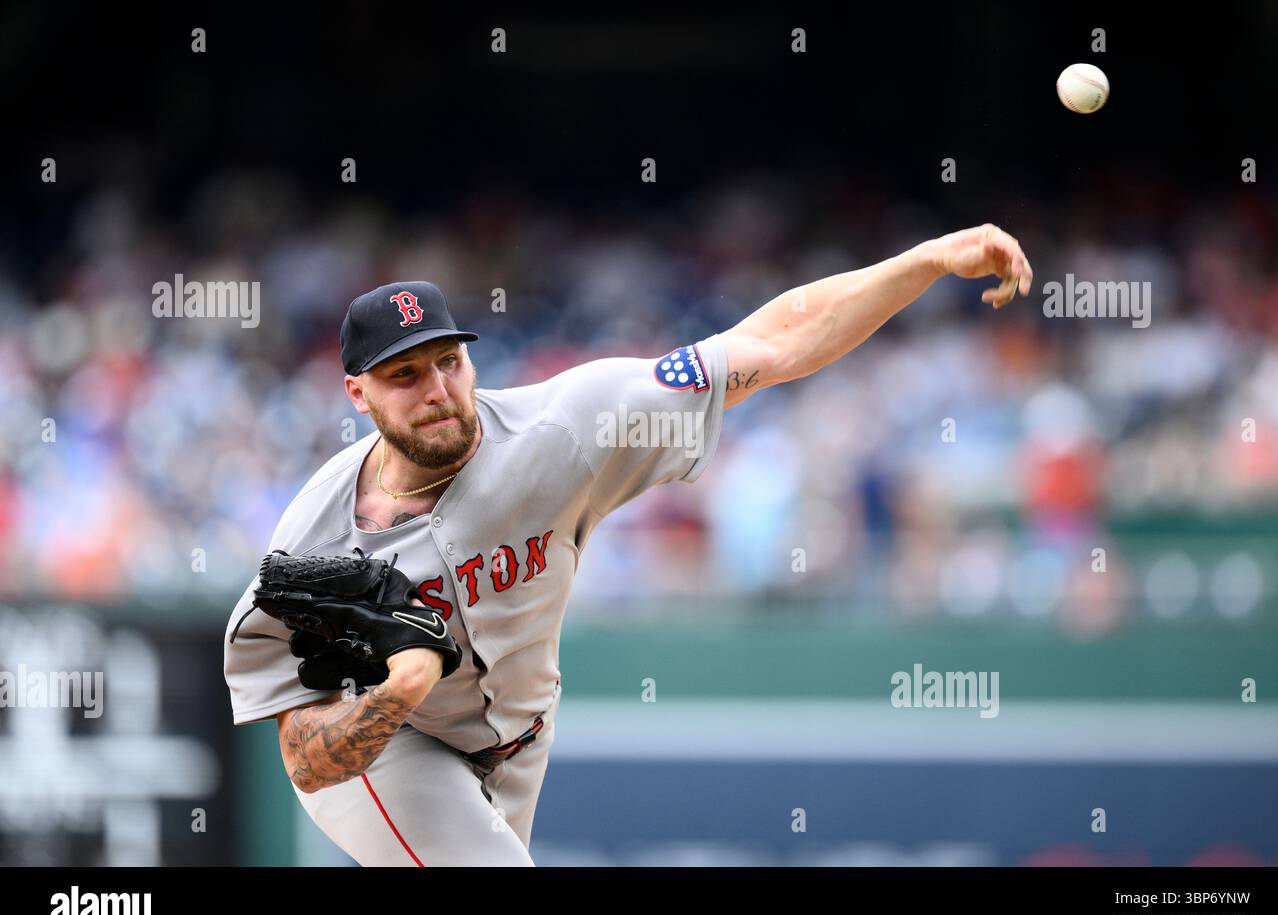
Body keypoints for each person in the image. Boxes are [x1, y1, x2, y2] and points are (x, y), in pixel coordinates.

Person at [223, 224, 1033, 866]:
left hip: (518, 743)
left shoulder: (568, 428)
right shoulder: (316, 544)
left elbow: (772, 344)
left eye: (448, 361)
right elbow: (308, 762)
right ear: (357, 394)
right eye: (405, 376)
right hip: (391, 752)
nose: (437, 391)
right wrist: (396, 693)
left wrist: (924, 261)